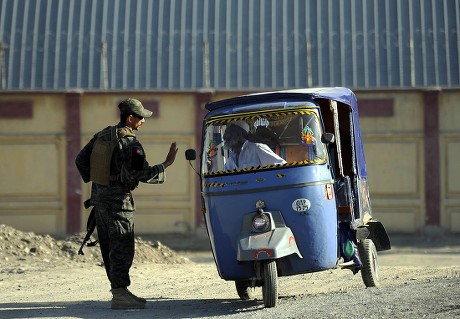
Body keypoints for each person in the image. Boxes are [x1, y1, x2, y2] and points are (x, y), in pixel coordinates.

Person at [75, 98, 178, 309]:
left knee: (109, 248)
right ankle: (120, 294)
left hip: (100, 202)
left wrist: (100, 181)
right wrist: (166, 164)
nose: (143, 122)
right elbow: (142, 173)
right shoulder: (130, 143)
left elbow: (80, 160)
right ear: (130, 118)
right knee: (122, 248)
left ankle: (119, 291)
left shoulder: (103, 135)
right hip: (119, 204)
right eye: (140, 118)